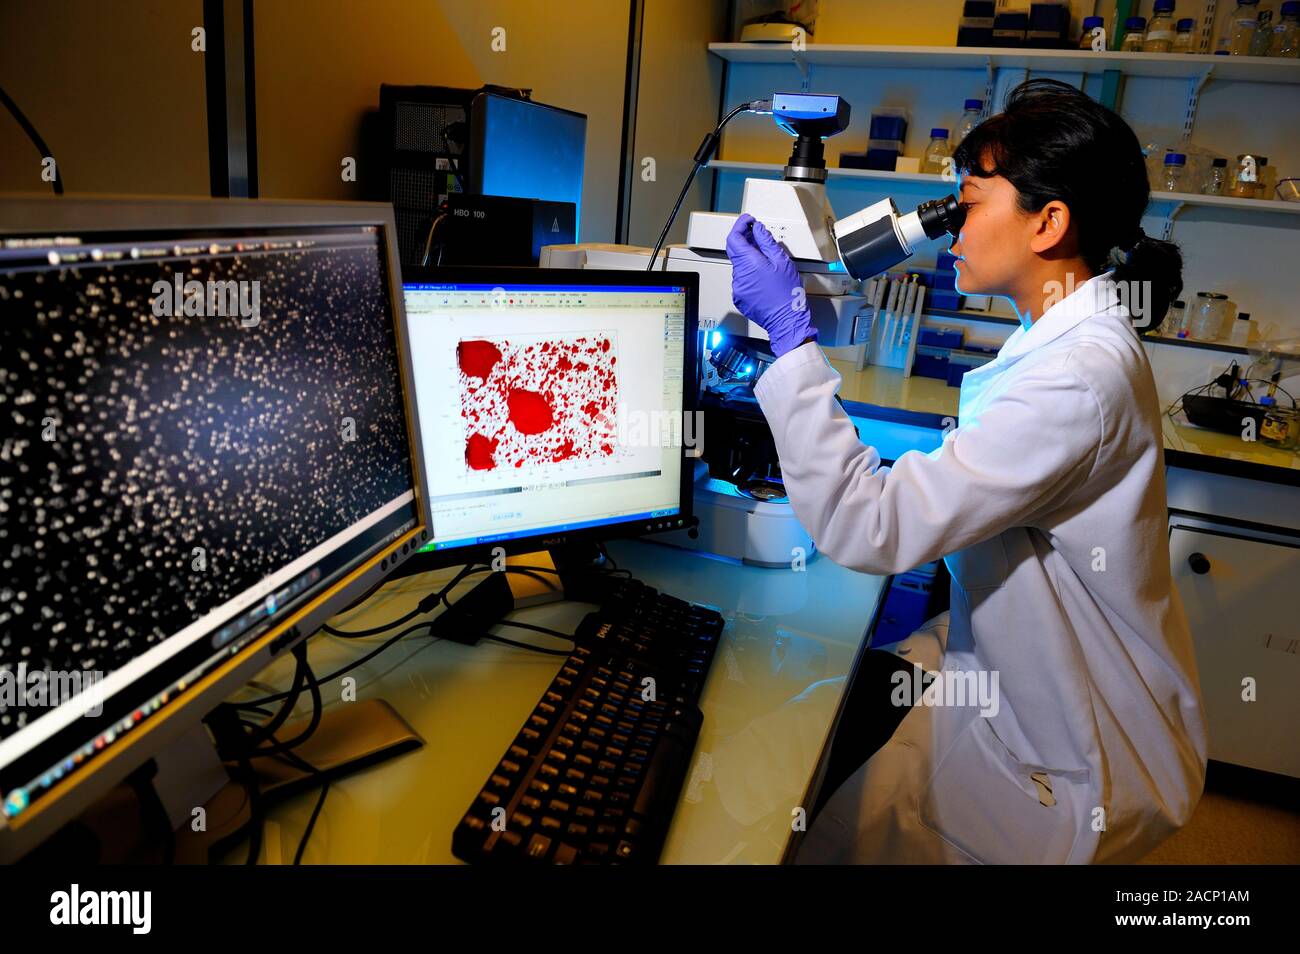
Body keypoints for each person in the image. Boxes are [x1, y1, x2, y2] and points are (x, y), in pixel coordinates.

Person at [724, 79, 1207, 864]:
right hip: (1007, 667)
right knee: (819, 725)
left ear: (1049, 222)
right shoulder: (1065, 342)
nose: (949, 229)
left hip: (1067, 748)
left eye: (968, 203)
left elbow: (869, 524)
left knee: (802, 807)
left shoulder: (1077, 379)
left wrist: (787, 333)